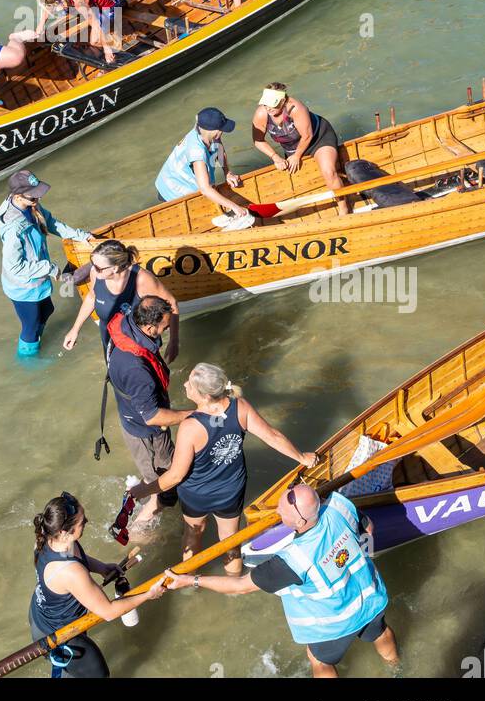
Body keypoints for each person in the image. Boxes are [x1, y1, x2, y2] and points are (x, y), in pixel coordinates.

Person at [166, 483, 397, 680]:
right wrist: (363, 553)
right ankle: (395, 667)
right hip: (370, 598)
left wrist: (191, 580)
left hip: (335, 623)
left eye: (281, 510)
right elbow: (368, 527)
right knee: (380, 632)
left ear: (298, 521)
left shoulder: (293, 559)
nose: (277, 510)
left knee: (319, 661)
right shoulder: (339, 506)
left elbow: (241, 587)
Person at [130, 363, 316, 569]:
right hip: (231, 490)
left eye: (190, 383)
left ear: (204, 396)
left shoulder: (190, 426)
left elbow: (175, 476)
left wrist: (143, 490)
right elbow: (272, 436)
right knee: (230, 541)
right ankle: (234, 585)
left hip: (196, 494)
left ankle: (190, 585)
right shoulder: (240, 406)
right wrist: (302, 457)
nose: (184, 384)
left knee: (192, 536)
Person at [29, 491, 169, 678]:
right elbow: (109, 612)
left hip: (40, 614)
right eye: (82, 522)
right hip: (59, 636)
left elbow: (79, 559)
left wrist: (102, 568)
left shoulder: (51, 539)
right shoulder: (70, 572)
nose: (86, 521)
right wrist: (148, 594)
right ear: (64, 531)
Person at [107, 297, 191, 528]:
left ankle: (143, 485)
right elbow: (152, 416)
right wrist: (193, 415)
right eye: (164, 326)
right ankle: (136, 530)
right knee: (163, 489)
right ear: (149, 327)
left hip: (134, 419)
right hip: (146, 433)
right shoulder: (136, 368)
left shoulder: (128, 323)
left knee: (165, 474)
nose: (166, 329)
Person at [0, 169, 91, 356]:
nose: (37, 200)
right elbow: (14, 266)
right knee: (30, 327)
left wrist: (81, 236)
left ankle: (36, 340)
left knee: (48, 309)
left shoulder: (32, 206)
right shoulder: (13, 229)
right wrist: (51, 269)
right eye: (33, 197)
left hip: (39, 279)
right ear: (18, 196)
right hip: (23, 287)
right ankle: (28, 360)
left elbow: (51, 223)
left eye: (37, 195)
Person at [63, 240, 179, 360]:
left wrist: (174, 342)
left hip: (139, 348)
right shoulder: (96, 273)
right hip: (110, 344)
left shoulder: (141, 279)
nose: (94, 269)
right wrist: (75, 329)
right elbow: (92, 297)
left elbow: (172, 303)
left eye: (98, 267)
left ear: (115, 268)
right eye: (93, 264)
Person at [252, 82, 349, 217]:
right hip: (291, 147)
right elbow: (258, 141)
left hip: (317, 139)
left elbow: (307, 135)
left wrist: (297, 156)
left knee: (328, 172)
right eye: (265, 104)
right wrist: (275, 157)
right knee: (294, 178)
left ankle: (344, 208)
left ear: (283, 100)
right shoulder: (262, 114)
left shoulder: (296, 108)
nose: (268, 108)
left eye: (272, 104)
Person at [154, 108, 249, 229]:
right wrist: (235, 207)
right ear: (213, 131)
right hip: (173, 191)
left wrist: (227, 172)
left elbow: (219, 147)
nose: (222, 132)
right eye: (221, 130)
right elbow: (205, 189)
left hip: (191, 181)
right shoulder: (196, 151)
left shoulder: (207, 133)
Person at [35, 0, 122, 64]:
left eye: (55, 6)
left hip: (111, 3)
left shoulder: (79, 2)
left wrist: (107, 48)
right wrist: (41, 24)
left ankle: (115, 47)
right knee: (68, 10)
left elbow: (96, 24)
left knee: (94, 41)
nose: (53, 9)